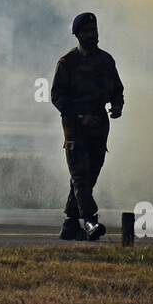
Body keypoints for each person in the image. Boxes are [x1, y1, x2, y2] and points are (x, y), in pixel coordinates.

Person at [50, 12, 125, 241]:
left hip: (99, 126)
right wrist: (79, 117)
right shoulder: (67, 63)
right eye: (86, 32)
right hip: (75, 128)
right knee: (80, 176)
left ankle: (70, 224)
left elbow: (117, 89)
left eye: (94, 31)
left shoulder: (106, 61)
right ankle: (90, 221)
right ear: (77, 35)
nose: (91, 35)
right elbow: (57, 96)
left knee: (89, 176)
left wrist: (117, 106)